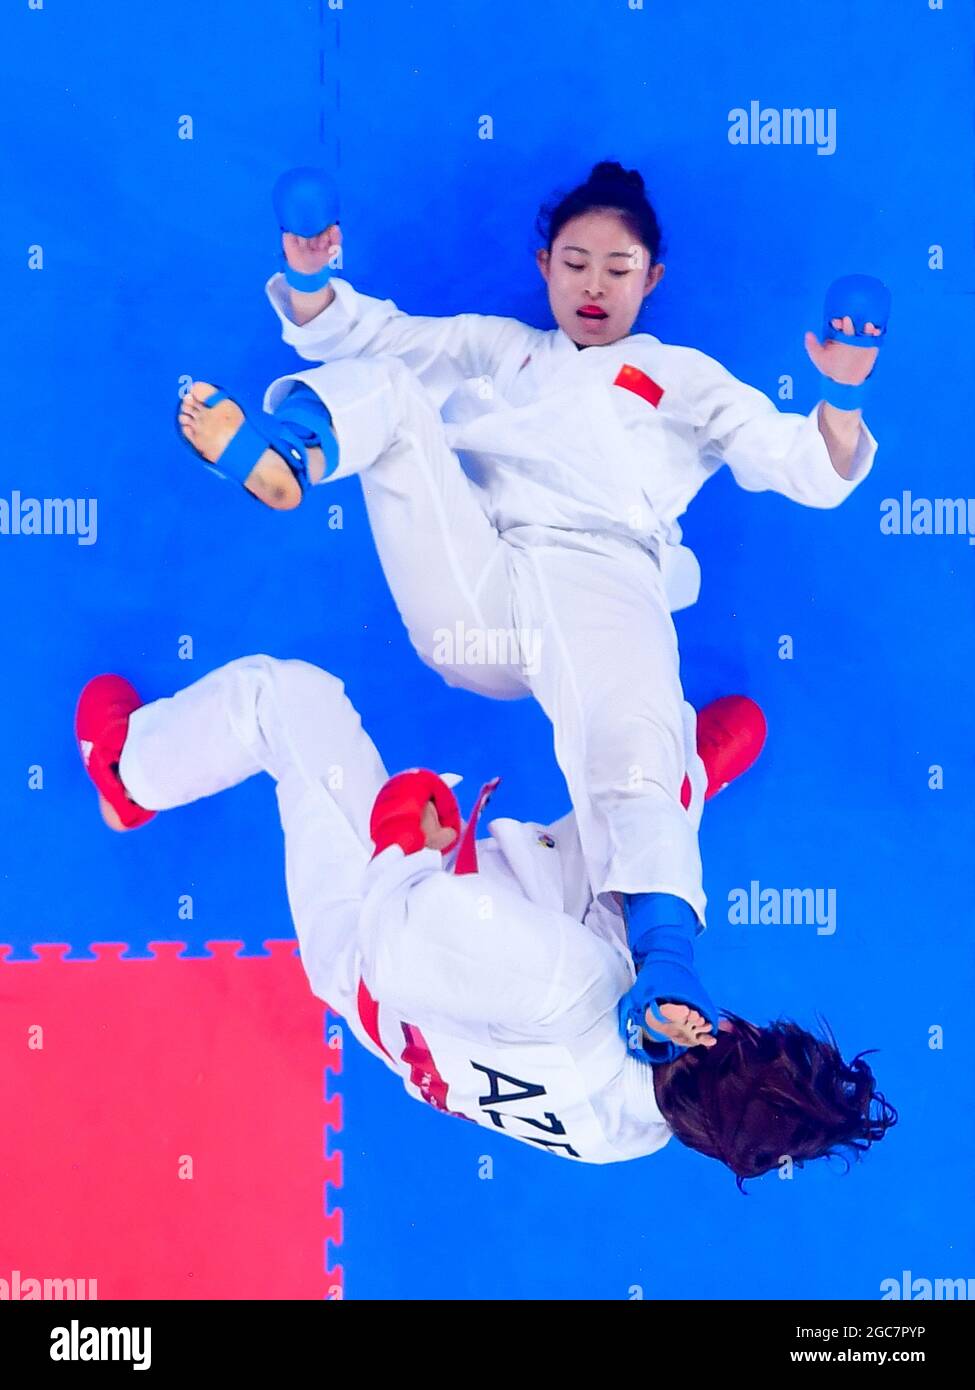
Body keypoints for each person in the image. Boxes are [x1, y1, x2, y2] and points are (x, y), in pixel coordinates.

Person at [176, 160, 889, 1046]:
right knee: (392, 392)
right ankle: (290, 458)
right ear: (545, 264)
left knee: (634, 757)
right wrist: (315, 278)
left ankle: (664, 965)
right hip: (482, 594)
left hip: (605, 581)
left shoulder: (681, 376)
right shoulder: (496, 352)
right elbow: (370, 338)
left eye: (618, 268)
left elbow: (806, 467)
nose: (595, 284)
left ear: (650, 279)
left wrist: (842, 394)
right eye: (576, 262)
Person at [74, 655, 896, 1180]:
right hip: (492, 976)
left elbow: (398, 941)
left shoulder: (571, 985)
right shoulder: (639, 1136)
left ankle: (127, 776)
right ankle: (680, 781)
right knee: (645, 831)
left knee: (283, 698)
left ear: (732, 1036)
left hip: (375, 943)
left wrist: (403, 836)